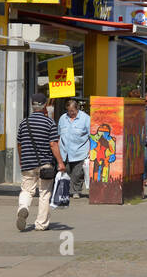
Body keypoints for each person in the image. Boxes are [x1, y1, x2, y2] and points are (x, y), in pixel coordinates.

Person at [16, 93, 66, 232]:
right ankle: (41, 224)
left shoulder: (23, 123)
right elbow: (53, 144)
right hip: (45, 165)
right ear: (45, 106)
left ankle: (23, 207)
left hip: (27, 163)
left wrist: (21, 159)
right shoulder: (49, 123)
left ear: (32, 106)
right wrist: (60, 163)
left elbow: (19, 144)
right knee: (44, 193)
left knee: (26, 190)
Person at [58, 98, 92, 198]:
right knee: (67, 171)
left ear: (77, 109)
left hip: (80, 151)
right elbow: (59, 135)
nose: (70, 113)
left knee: (77, 173)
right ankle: (68, 190)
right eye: (68, 111)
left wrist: (90, 151)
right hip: (65, 151)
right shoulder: (63, 118)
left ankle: (76, 191)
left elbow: (91, 136)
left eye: (72, 111)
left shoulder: (86, 118)